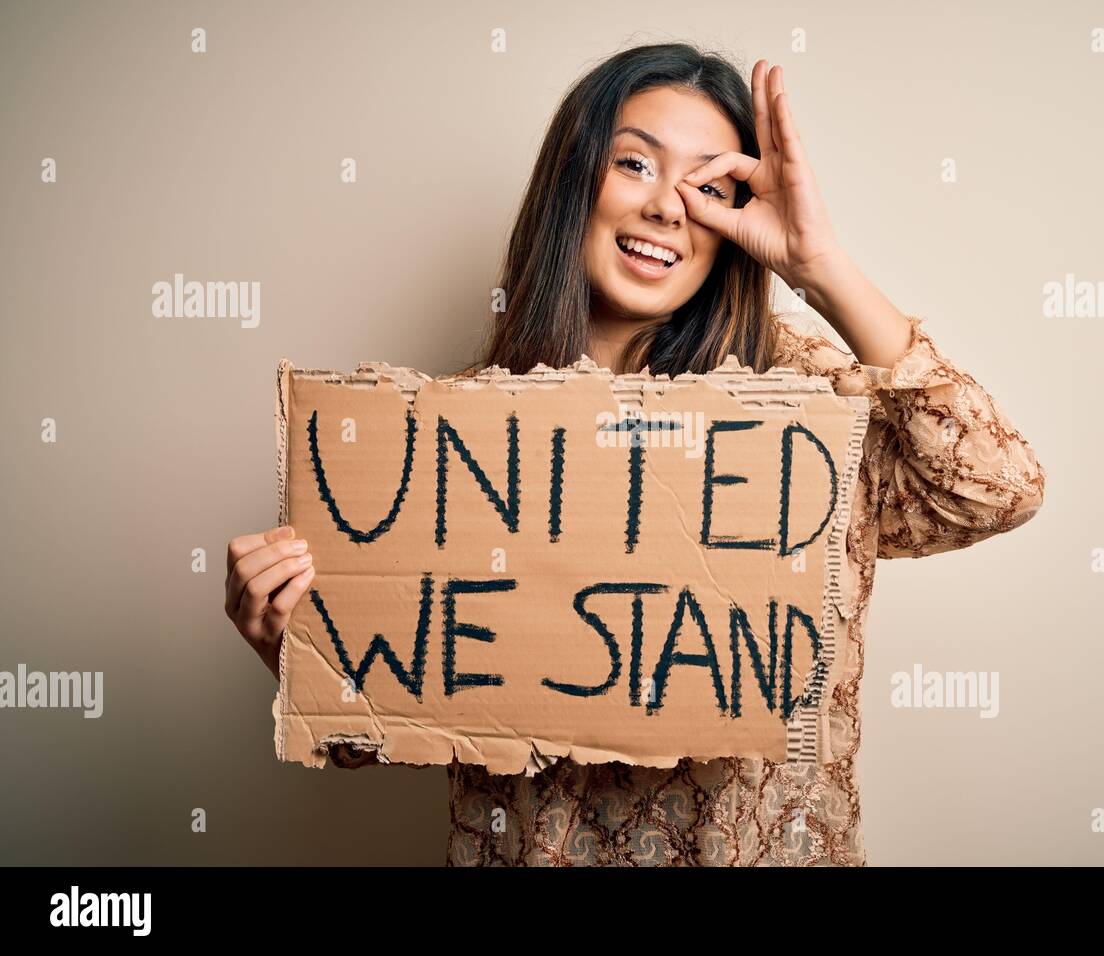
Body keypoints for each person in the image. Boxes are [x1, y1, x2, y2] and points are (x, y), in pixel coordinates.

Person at [224, 42, 1046, 866]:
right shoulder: (462, 433)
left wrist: (817, 267)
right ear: (574, 180)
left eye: (709, 186)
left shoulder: (803, 402)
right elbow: (410, 724)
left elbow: (997, 488)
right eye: (634, 164)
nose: (667, 207)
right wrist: (304, 649)